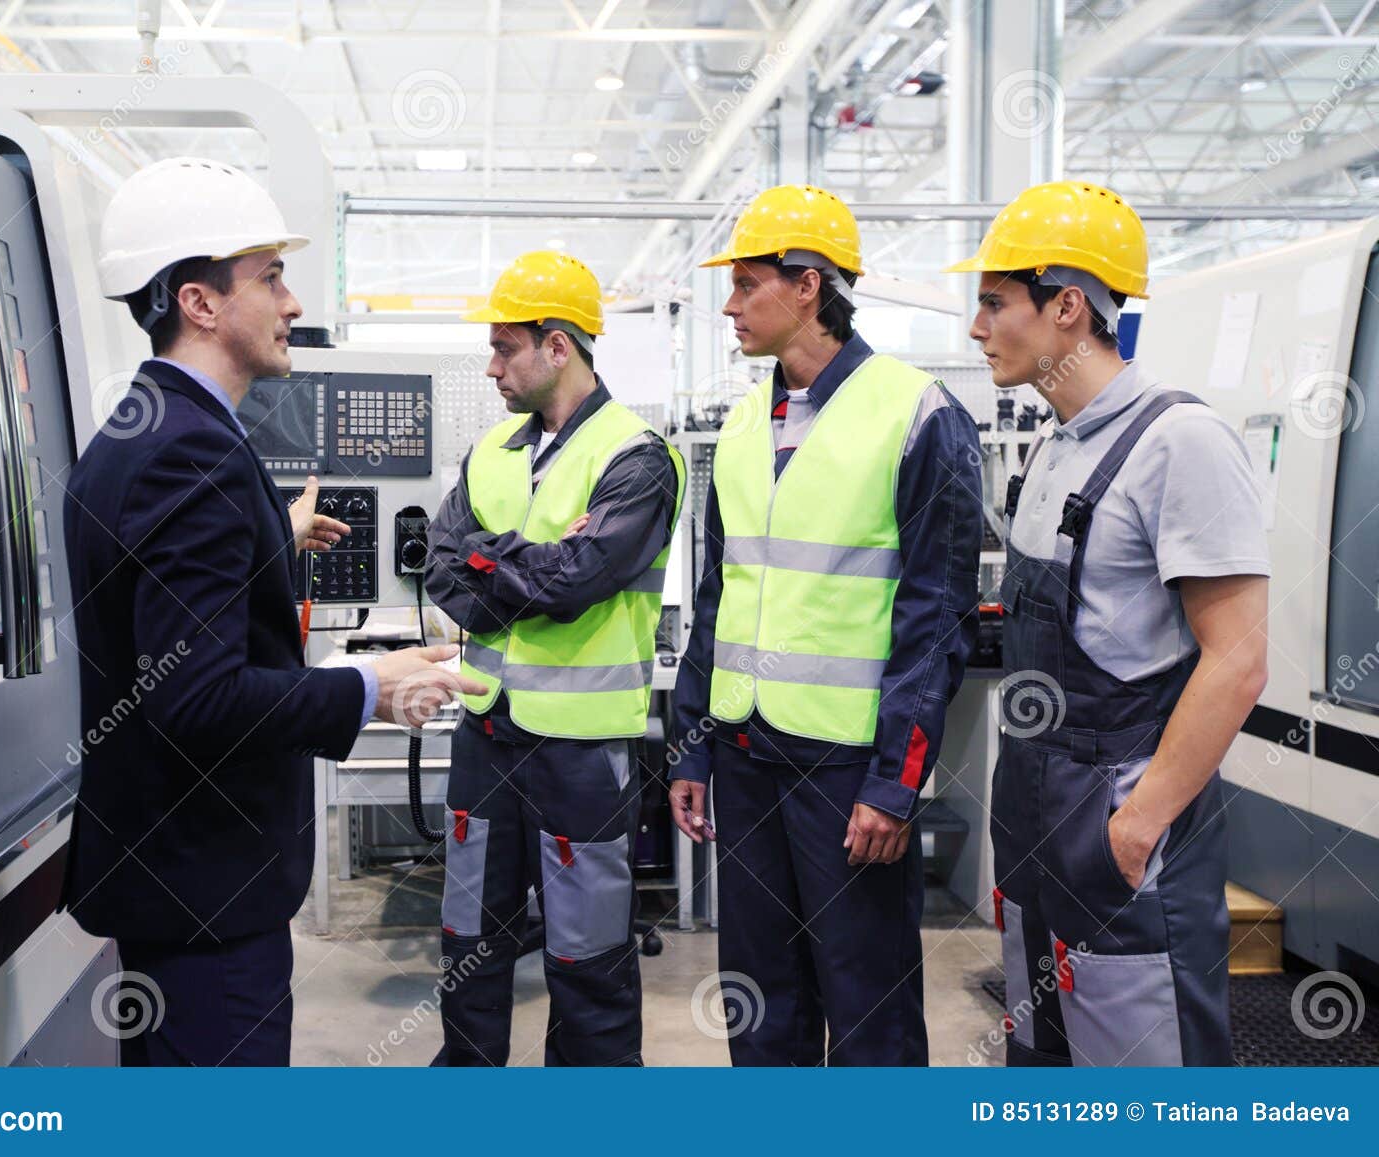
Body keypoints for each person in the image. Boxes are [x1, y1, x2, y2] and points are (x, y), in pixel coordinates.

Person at [58, 157, 482, 1066]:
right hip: (204, 892)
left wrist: (267, 539)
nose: (293, 303)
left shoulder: (151, 431)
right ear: (200, 302)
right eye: (271, 276)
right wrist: (370, 681)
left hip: (174, 879)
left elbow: (158, 608)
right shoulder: (192, 456)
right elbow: (196, 698)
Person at [948, 180, 1269, 1066]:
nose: (977, 329)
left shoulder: (1182, 442)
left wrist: (1136, 824)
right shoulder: (1056, 442)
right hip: (1034, 800)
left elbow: (1238, 660)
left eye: (993, 303)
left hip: (1120, 809)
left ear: (1067, 307)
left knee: (1142, 1083)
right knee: (1044, 1057)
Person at [669, 184, 983, 1065]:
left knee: (868, 1002)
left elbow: (938, 619)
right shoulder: (736, 429)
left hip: (846, 769)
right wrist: (690, 744)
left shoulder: (917, 415)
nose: (729, 306)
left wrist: (897, 779)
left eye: (745, 284)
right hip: (743, 754)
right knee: (759, 1003)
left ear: (807, 285)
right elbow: (716, 600)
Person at [424, 250, 685, 1066]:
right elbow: (436, 564)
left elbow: (577, 580)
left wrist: (488, 560)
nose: (492, 366)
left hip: (582, 752)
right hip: (486, 738)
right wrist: (510, 566)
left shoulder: (638, 457)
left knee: (588, 959)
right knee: (467, 942)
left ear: (559, 345)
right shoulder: (491, 451)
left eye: (506, 348)